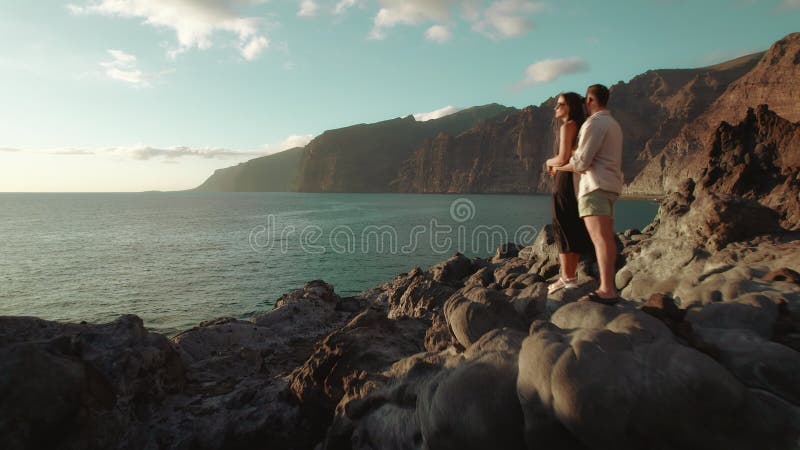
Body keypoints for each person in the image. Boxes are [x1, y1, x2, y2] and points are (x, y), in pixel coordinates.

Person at [552, 84, 624, 304]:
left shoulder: (595, 124)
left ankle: (606, 289)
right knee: (603, 238)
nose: (584, 104)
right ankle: (606, 286)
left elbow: (581, 162)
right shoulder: (613, 124)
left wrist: (553, 164)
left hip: (594, 186)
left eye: (561, 104)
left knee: (599, 239)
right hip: (610, 185)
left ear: (590, 100)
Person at [545, 93, 593, 294]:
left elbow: (563, 157)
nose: (556, 107)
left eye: (560, 104)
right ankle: (570, 277)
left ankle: (566, 278)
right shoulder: (582, 125)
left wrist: (548, 162)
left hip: (563, 182)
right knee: (572, 226)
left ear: (570, 107)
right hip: (576, 182)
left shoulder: (568, 126)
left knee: (562, 226)